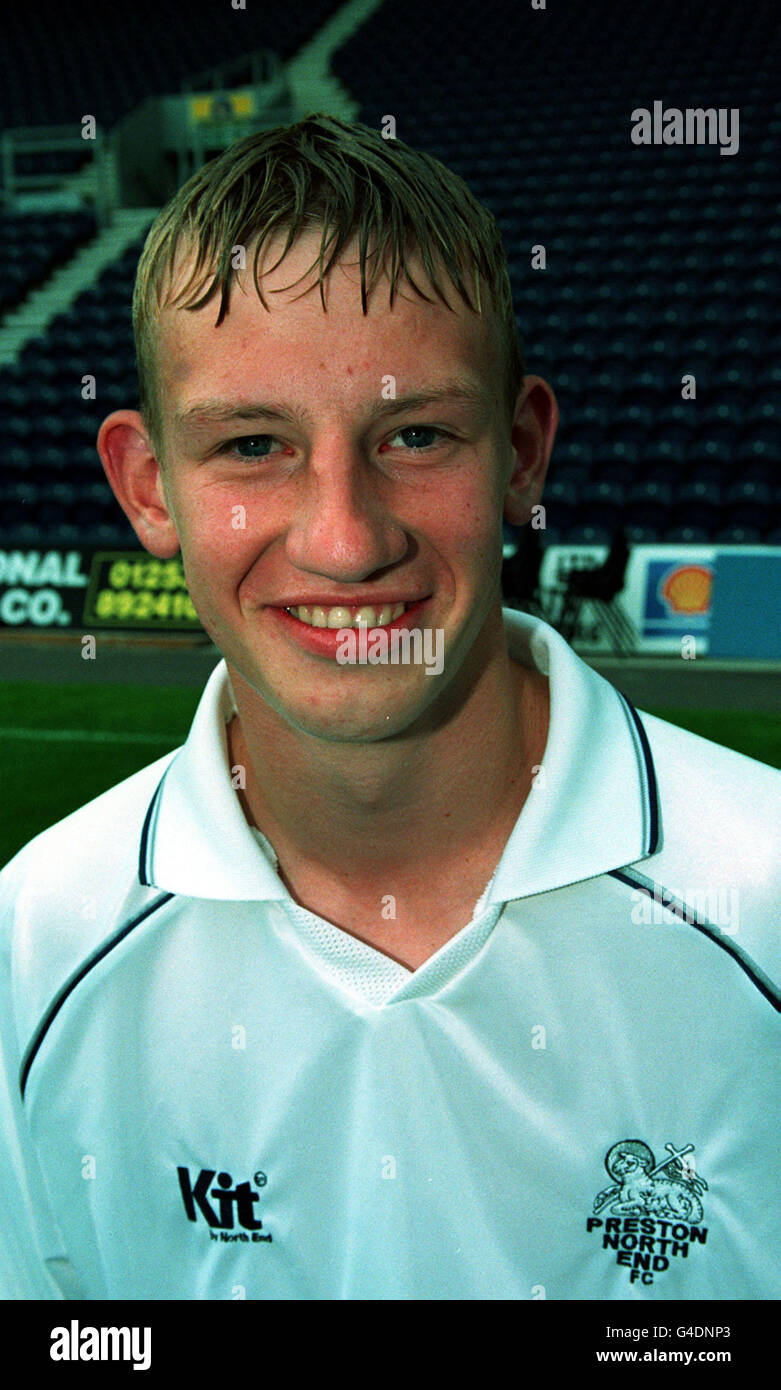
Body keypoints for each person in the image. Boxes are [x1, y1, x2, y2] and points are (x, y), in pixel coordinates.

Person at [0, 114, 777, 1301]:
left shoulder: (763, 904)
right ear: (148, 488)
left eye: (416, 434)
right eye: (253, 445)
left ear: (520, 453)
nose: (346, 540)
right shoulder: (28, 955)